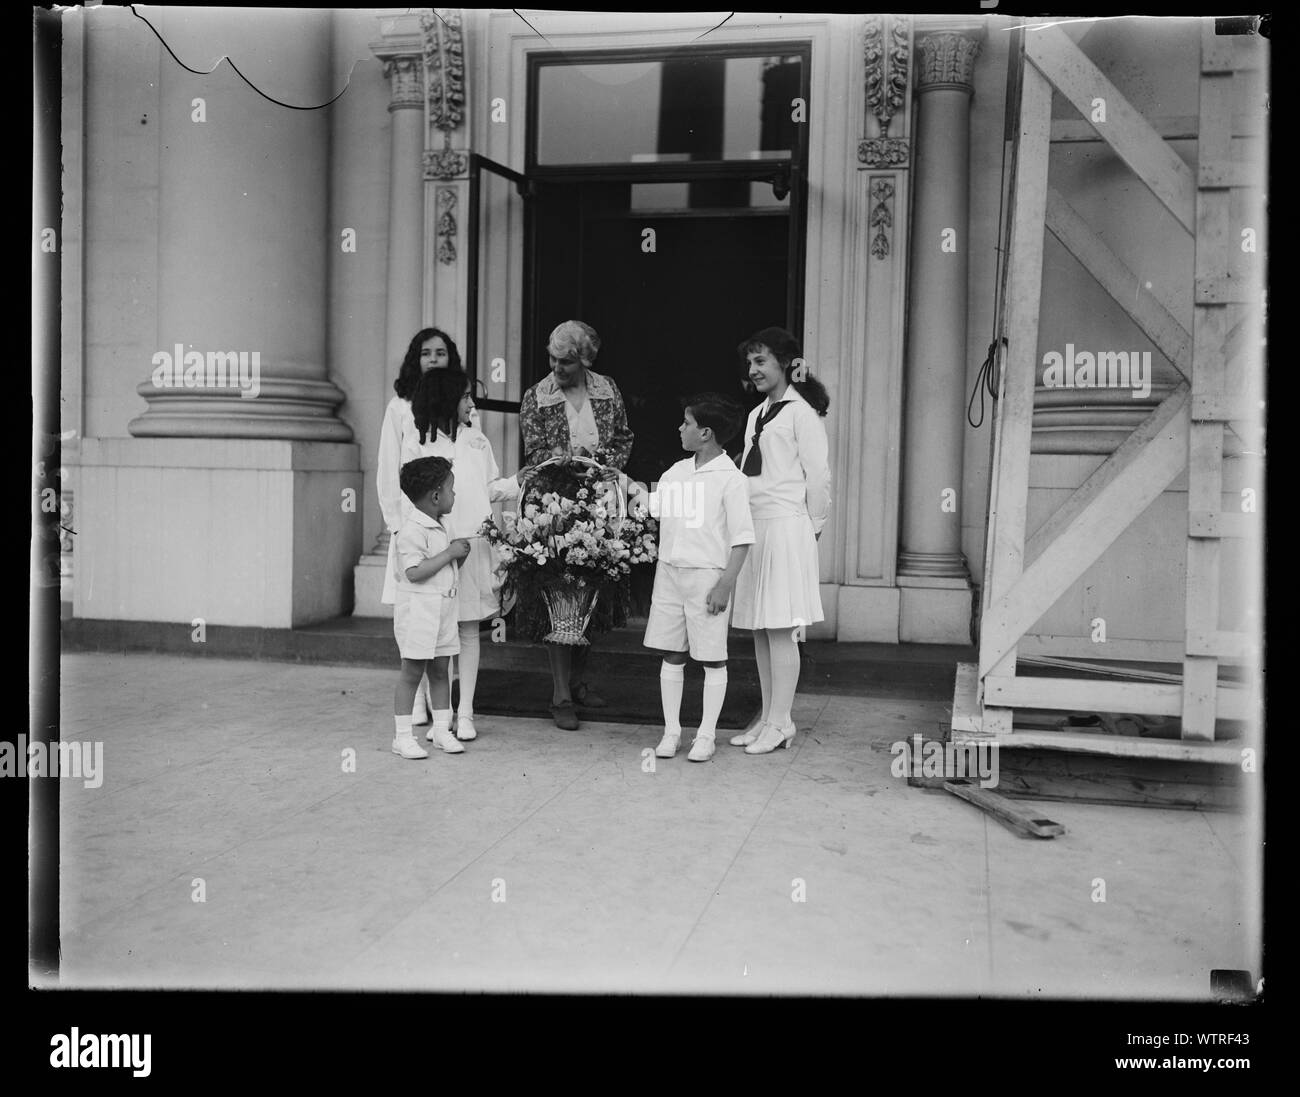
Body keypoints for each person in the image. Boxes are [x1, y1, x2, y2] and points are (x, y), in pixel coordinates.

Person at [516, 320, 635, 730]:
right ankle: (560, 693)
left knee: (592, 593)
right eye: (551, 358)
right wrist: (565, 460)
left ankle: (580, 681)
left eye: (565, 361)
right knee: (559, 595)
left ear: (584, 360)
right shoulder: (537, 396)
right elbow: (533, 450)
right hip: (555, 506)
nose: (556, 368)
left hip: (598, 504)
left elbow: (623, 437)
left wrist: (607, 469)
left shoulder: (607, 390)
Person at [729, 327, 831, 756]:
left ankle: (783, 721)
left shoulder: (801, 413)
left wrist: (813, 525)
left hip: (788, 527)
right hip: (758, 528)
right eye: (750, 363)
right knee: (759, 628)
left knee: (781, 629)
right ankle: (768, 719)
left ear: (787, 365)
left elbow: (819, 477)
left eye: (761, 361)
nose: (753, 370)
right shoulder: (757, 415)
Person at [407, 367, 520, 741]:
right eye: (465, 396)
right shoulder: (418, 443)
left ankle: (466, 712)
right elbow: (408, 496)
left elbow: (489, 488)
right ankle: (440, 712)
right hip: (437, 549)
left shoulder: (477, 440)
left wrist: (520, 482)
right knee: (436, 632)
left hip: (474, 544)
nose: (472, 403)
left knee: (469, 629)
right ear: (445, 399)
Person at [642, 394, 754, 762]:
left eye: (686, 423)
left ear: (705, 432)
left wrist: (725, 584)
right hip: (671, 572)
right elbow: (654, 508)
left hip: (707, 577)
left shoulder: (731, 480)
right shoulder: (676, 471)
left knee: (711, 658)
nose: (680, 428)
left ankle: (706, 735)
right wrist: (623, 483)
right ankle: (672, 731)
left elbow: (741, 540)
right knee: (672, 653)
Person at [377, 327, 468, 725]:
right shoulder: (400, 406)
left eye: (441, 353)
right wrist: (398, 526)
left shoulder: (458, 408)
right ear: (416, 359)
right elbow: (387, 469)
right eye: (426, 353)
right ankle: (414, 702)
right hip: (413, 523)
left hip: (448, 521)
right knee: (412, 612)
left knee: (445, 617)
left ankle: (443, 705)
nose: (434, 359)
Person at [391, 456, 471, 759]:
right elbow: (414, 572)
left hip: (443, 612)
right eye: (451, 489)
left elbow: (445, 569)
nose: (455, 495)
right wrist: (450, 552)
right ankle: (402, 737)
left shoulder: (442, 525)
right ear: (436, 496)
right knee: (412, 673)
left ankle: (441, 730)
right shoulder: (412, 530)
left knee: (440, 671)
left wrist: (458, 556)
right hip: (419, 615)